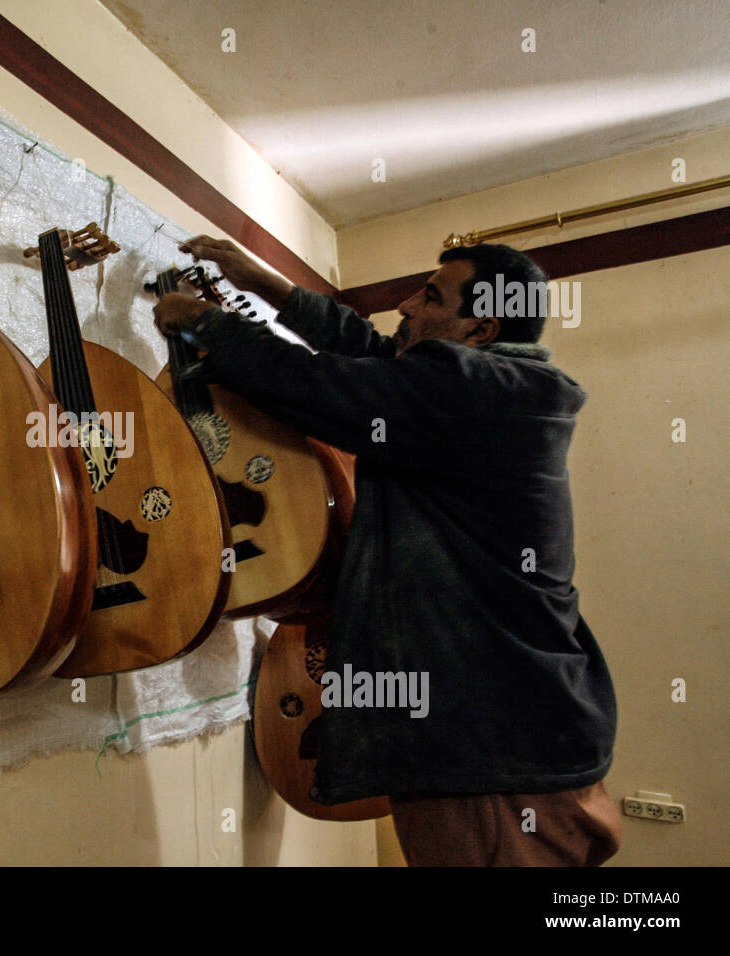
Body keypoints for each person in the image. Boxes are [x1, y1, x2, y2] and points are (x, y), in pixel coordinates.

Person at [153, 237, 623, 866]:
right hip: (515, 742)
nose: (403, 304)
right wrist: (264, 282)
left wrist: (206, 321)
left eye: (430, 296)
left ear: (480, 327)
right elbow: (374, 357)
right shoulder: (499, 386)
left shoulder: (476, 389)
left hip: (490, 757)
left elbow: (322, 386)